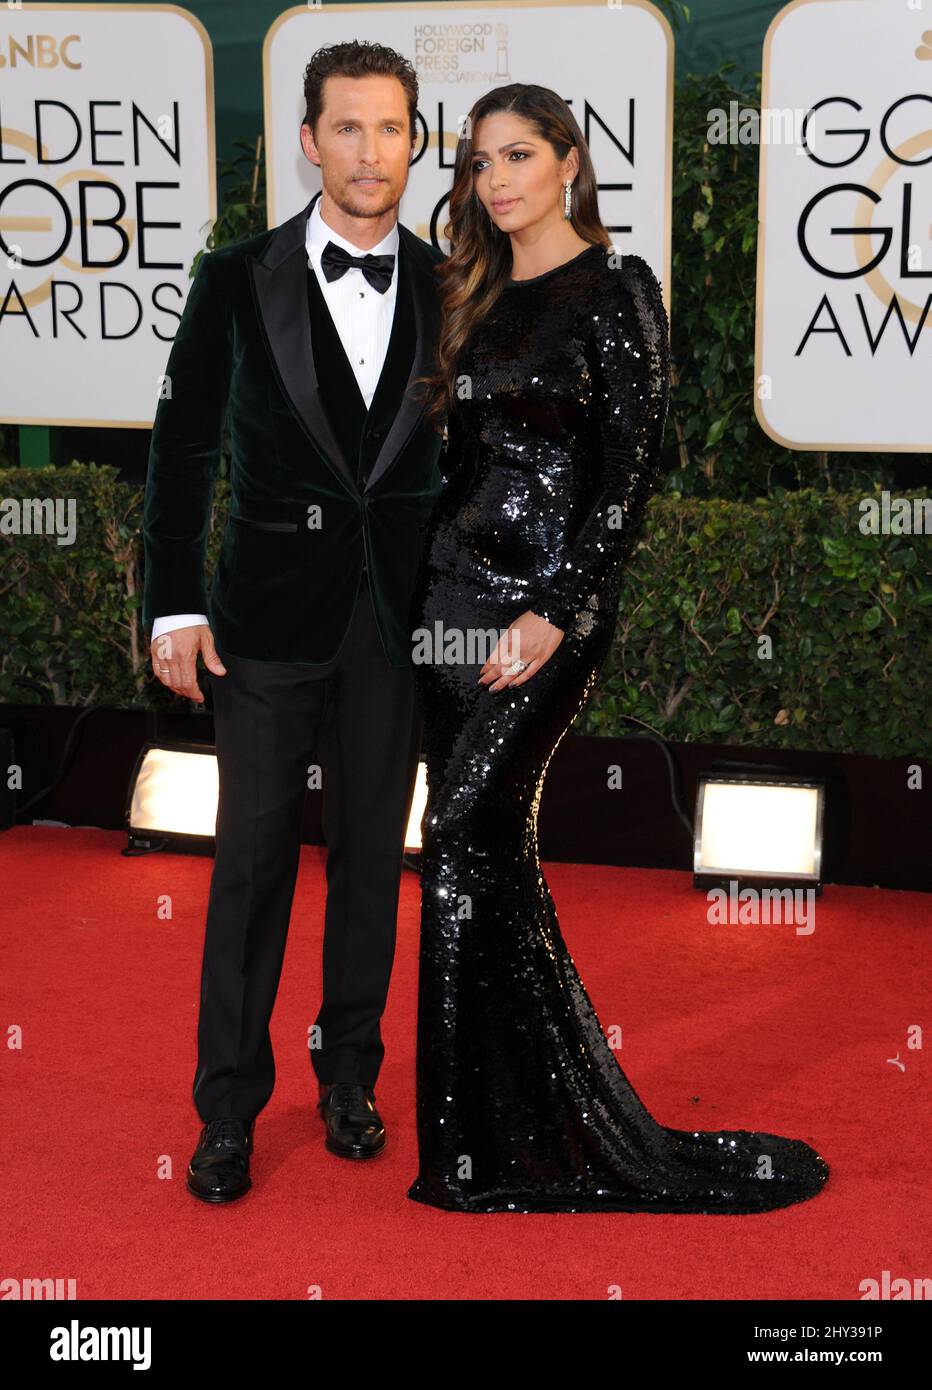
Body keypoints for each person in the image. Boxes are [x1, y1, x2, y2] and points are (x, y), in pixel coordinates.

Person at [406, 84, 830, 1213]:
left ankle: (482, 1142)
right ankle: (494, 1128)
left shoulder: (616, 289)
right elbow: (445, 470)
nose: (495, 180)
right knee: (480, 858)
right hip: (445, 604)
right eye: (479, 161)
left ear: (569, 163)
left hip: (543, 613)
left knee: (458, 832)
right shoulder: (469, 294)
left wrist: (560, 606)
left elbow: (625, 473)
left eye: (518, 155)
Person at [142, 42, 444, 1202]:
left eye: (391, 129)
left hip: (394, 626)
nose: (372, 152)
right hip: (262, 624)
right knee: (249, 870)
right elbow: (182, 446)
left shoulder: (446, 280)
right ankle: (226, 1111)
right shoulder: (235, 276)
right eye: (348, 129)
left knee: (373, 865)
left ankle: (350, 1077)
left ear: (415, 141)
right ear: (308, 141)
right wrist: (172, 602)